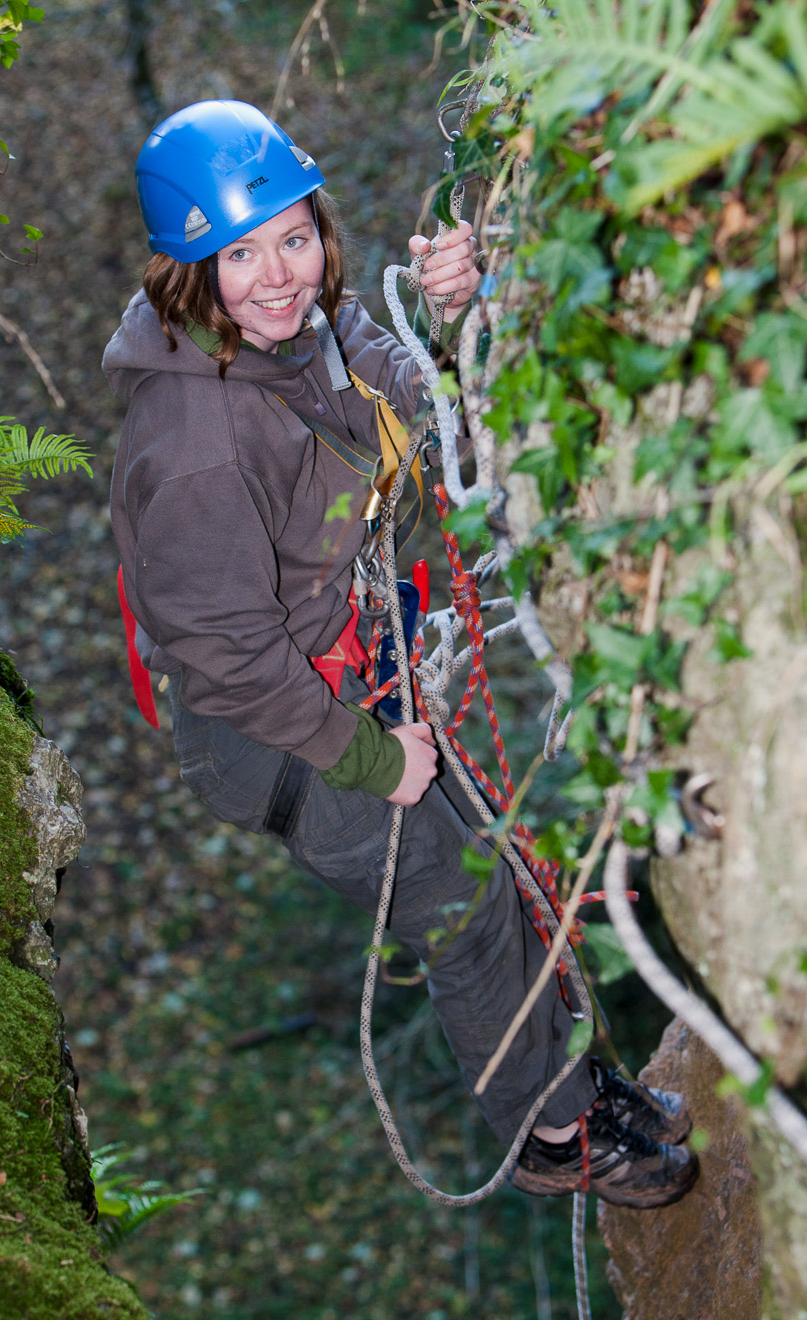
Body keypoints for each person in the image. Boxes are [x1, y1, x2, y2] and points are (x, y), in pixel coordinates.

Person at [104, 99, 698, 1208]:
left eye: (294, 236)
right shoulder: (191, 446)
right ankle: (553, 1135)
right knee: (455, 903)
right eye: (240, 253)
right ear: (191, 266)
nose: (278, 274)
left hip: (348, 672)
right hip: (276, 735)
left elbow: (411, 403)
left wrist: (448, 313)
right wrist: (374, 762)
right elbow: (229, 660)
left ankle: (568, 1077)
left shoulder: (305, 333)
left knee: (492, 873)